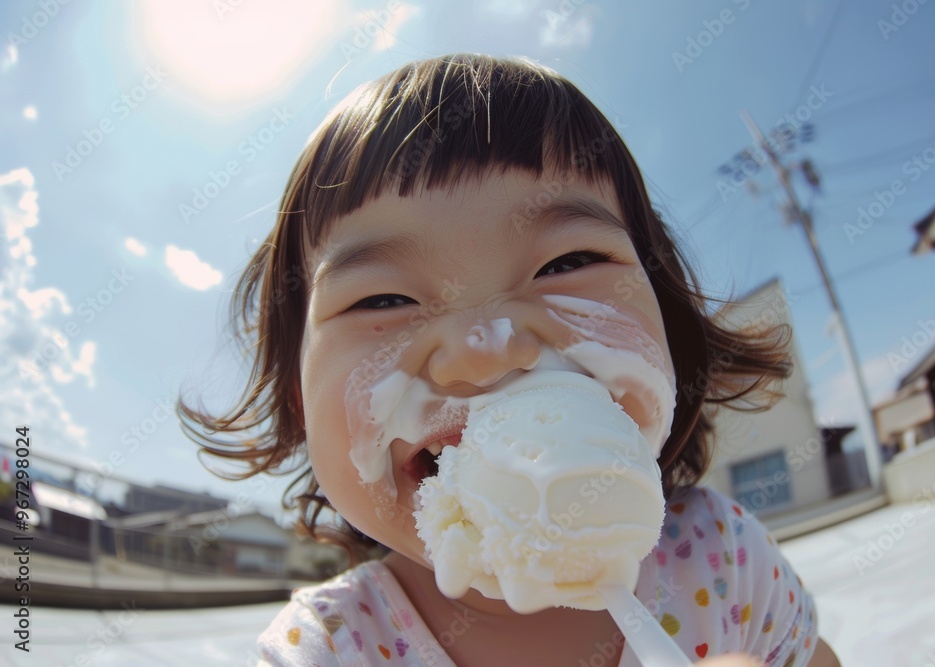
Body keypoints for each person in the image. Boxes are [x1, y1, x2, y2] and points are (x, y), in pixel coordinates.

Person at [181, 54, 840, 667]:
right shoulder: (325, 649)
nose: (486, 350)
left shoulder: (726, 564)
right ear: (301, 402)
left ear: (666, 320)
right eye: (382, 297)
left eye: (567, 262)